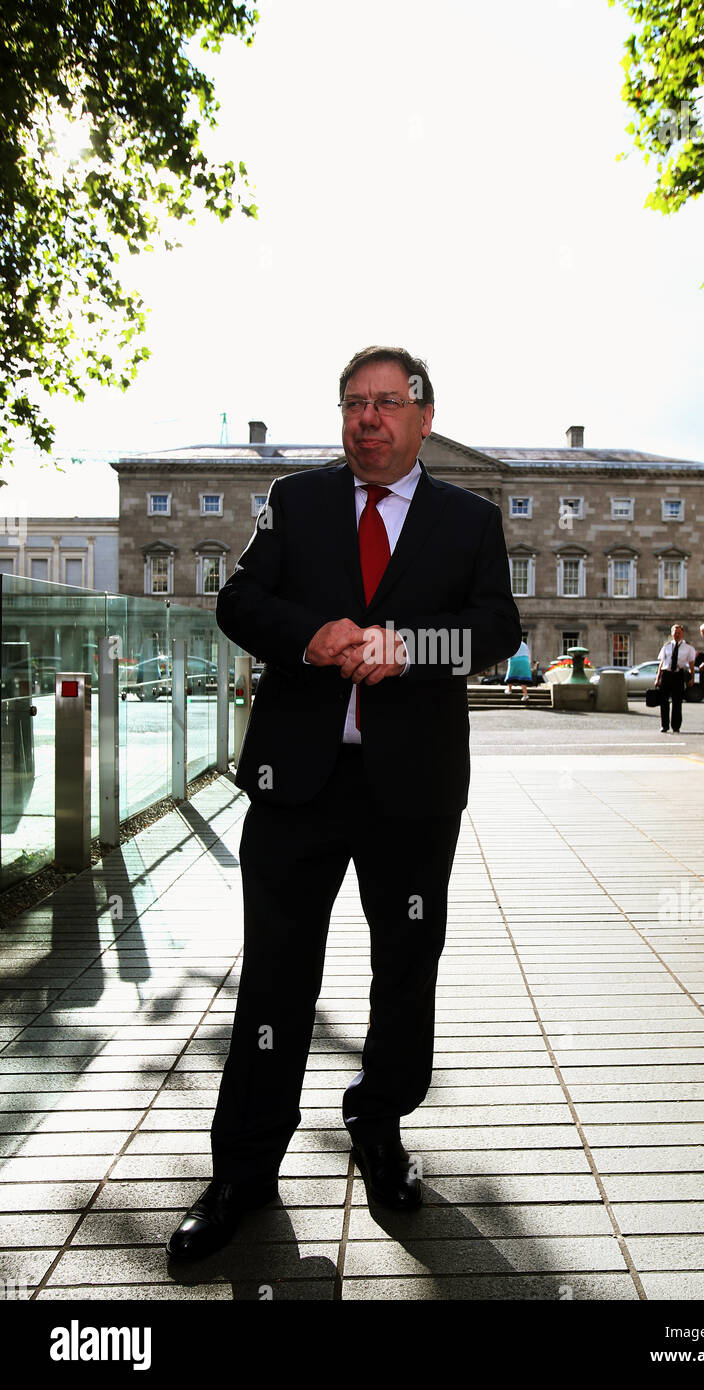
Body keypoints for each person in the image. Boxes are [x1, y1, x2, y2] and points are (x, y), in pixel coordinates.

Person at [166, 345, 521, 1260]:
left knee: (406, 967)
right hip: (297, 786)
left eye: (387, 403)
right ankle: (244, 1169)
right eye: (353, 404)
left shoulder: (468, 519)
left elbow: (495, 628)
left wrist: (413, 646)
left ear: (423, 417)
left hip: (412, 789)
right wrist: (308, 635)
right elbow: (239, 599)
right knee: (275, 976)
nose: (368, 419)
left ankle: (378, 1125)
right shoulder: (297, 500)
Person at [654, 623, 696, 733]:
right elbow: (661, 663)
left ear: (682, 634)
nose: (677, 635)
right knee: (663, 702)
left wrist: (692, 678)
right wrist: (657, 678)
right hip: (666, 674)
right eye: (675, 633)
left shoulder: (688, 648)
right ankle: (664, 725)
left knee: (677, 702)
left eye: (679, 633)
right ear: (671, 634)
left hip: (678, 675)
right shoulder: (666, 646)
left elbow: (691, 664)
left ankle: (676, 726)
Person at [504, 638, 532, 702]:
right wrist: (529, 662)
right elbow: (528, 654)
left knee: (510, 675)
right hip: (524, 660)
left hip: (514, 659)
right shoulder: (524, 644)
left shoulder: (512, 644)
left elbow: (509, 653)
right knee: (523, 679)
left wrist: (508, 660)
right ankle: (525, 695)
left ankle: (509, 690)